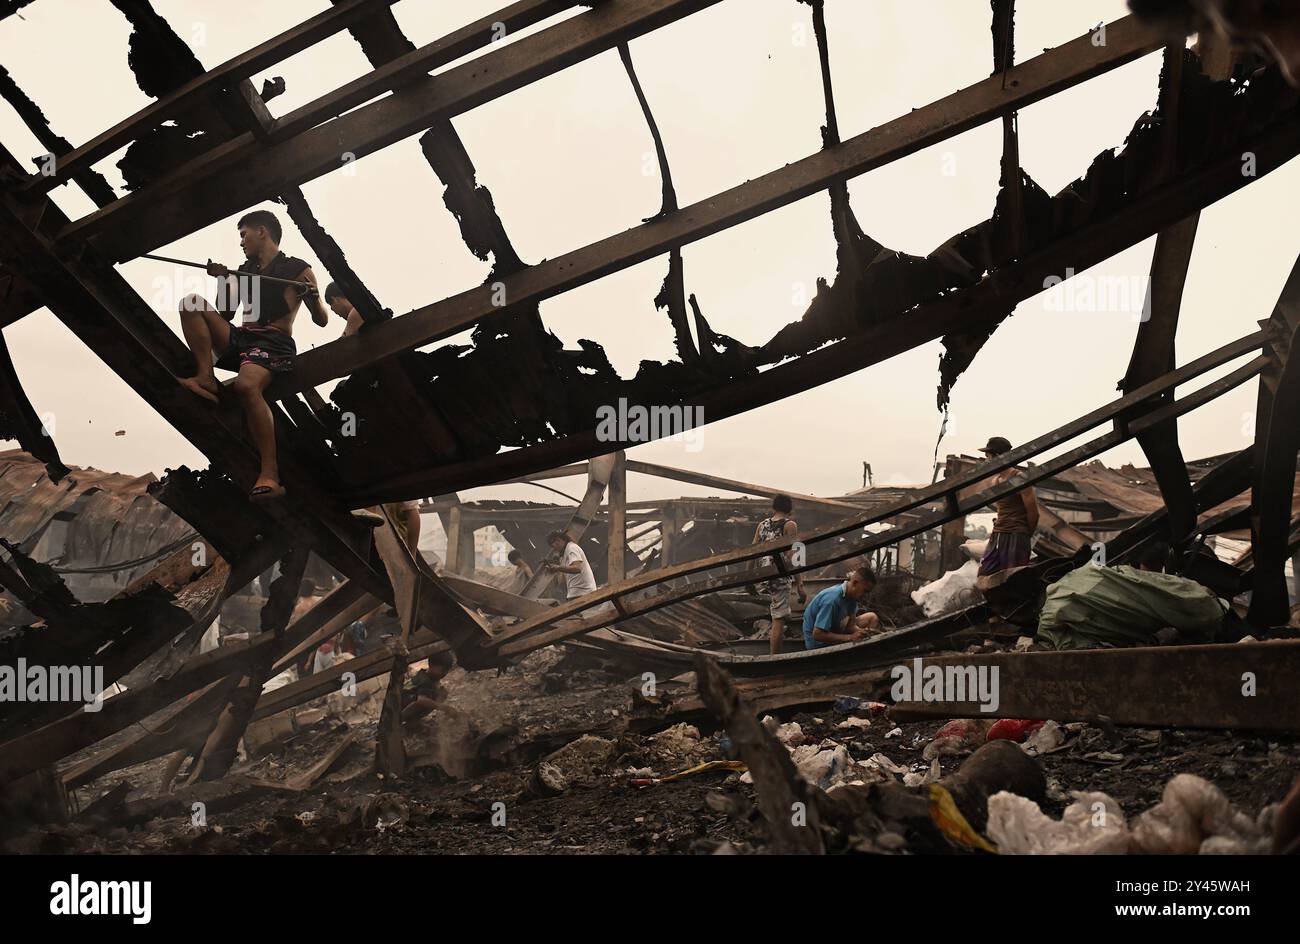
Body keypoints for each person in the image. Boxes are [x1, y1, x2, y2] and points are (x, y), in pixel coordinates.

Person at [175, 209, 328, 501]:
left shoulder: (299, 269)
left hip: (272, 343)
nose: (241, 242)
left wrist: (313, 296)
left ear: (262, 232)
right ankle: (205, 377)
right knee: (191, 303)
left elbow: (321, 320)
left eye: (244, 235)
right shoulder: (244, 270)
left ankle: (269, 473)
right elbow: (225, 313)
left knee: (246, 386)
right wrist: (224, 280)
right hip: (242, 339)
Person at [975, 436, 1039, 579]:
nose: (987, 461)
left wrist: (1024, 535)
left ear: (997, 456)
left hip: (1016, 535)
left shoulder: (1019, 478)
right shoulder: (994, 480)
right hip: (998, 533)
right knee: (985, 575)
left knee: (1013, 579)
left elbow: (1034, 513)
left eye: (988, 457)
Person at [752, 495, 806, 654]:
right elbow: (794, 556)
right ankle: (774, 657)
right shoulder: (790, 525)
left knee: (775, 612)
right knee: (779, 619)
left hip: (762, 576)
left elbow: (752, 551)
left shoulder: (762, 525)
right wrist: (800, 585)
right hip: (779, 576)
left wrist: (750, 579)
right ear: (790, 510)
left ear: (773, 508)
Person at [802, 566, 880, 649]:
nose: (866, 596)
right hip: (819, 643)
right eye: (865, 591)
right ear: (855, 583)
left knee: (872, 617)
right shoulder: (831, 600)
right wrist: (851, 637)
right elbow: (818, 635)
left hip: (834, 630)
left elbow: (850, 626)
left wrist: (862, 633)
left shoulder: (852, 598)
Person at [543, 529, 597, 599]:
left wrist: (558, 568)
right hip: (576, 594)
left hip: (584, 593)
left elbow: (577, 568)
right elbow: (562, 580)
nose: (553, 547)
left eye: (553, 543)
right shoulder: (564, 555)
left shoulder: (572, 548)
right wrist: (555, 568)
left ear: (559, 540)